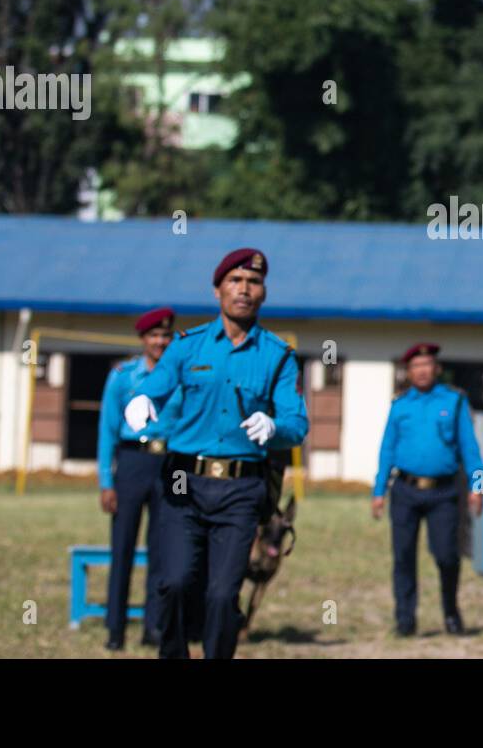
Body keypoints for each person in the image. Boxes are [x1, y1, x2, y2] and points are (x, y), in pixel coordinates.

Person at [124, 248, 307, 659]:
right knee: (173, 582)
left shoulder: (278, 356)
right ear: (218, 289)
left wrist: (275, 428)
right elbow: (160, 382)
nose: (244, 289)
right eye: (235, 281)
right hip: (183, 483)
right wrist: (142, 399)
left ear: (263, 293)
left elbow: (298, 424)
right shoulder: (187, 346)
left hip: (241, 490)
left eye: (253, 282)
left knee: (223, 596)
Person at [372, 343, 483, 637]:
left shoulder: (455, 402)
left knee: (447, 555)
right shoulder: (400, 405)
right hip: (405, 492)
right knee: (403, 556)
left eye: (427, 365)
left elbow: (471, 448)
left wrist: (479, 486)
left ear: (436, 369)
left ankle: (450, 612)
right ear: (408, 372)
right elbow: (387, 449)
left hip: (444, 493)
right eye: (415, 366)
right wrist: (378, 490)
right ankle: (405, 620)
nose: (422, 371)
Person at [96, 306, 180, 651]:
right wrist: (106, 481)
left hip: (168, 463)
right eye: (154, 336)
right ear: (143, 339)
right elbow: (107, 430)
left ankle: (154, 626)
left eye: (165, 336)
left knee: (163, 551)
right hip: (131, 461)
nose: (160, 341)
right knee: (123, 548)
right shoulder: (123, 376)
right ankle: (115, 628)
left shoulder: (180, 375)